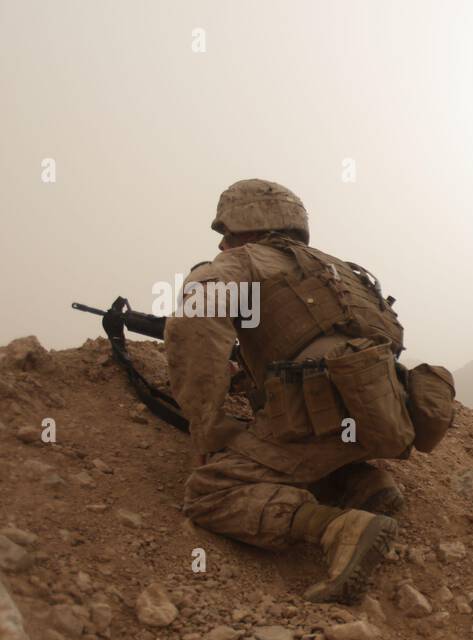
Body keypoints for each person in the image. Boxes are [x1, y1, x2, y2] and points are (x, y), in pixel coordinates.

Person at [165, 179, 448, 603]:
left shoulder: (244, 263)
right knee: (307, 450)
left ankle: (336, 528)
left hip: (319, 417)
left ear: (246, 228)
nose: (223, 245)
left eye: (227, 233)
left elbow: (194, 319)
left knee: (209, 492)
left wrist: (205, 424)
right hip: (383, 413)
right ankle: (364, 484)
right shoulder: (344, 272)